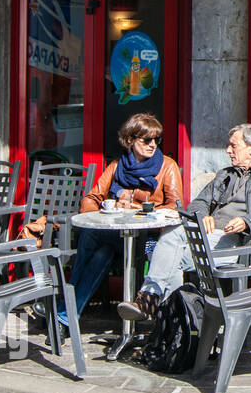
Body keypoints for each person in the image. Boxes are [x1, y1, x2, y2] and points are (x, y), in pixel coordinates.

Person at [119, 123, 251, 320]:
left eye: (233, 146)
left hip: (239, 240)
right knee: (172, 231)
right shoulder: (226, 174)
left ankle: (168, 317)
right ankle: (171, 317)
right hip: (208, 236)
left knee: (171, 259)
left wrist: (246, 221)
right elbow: (198, 202)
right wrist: (203, 216)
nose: (228, 150)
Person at [51, 113, 182, 332]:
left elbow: (176, 207)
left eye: (156, 140)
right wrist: (105, 212)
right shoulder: (117, 165)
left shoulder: (167, 166)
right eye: (146, 140)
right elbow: (90, 199)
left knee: (92, 238)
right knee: (101, 251)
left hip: (147, 239)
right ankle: (65, 317)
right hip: (116, 236)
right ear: (130, 140)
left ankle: (64, 307)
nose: (153, 145)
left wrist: (141, 210)